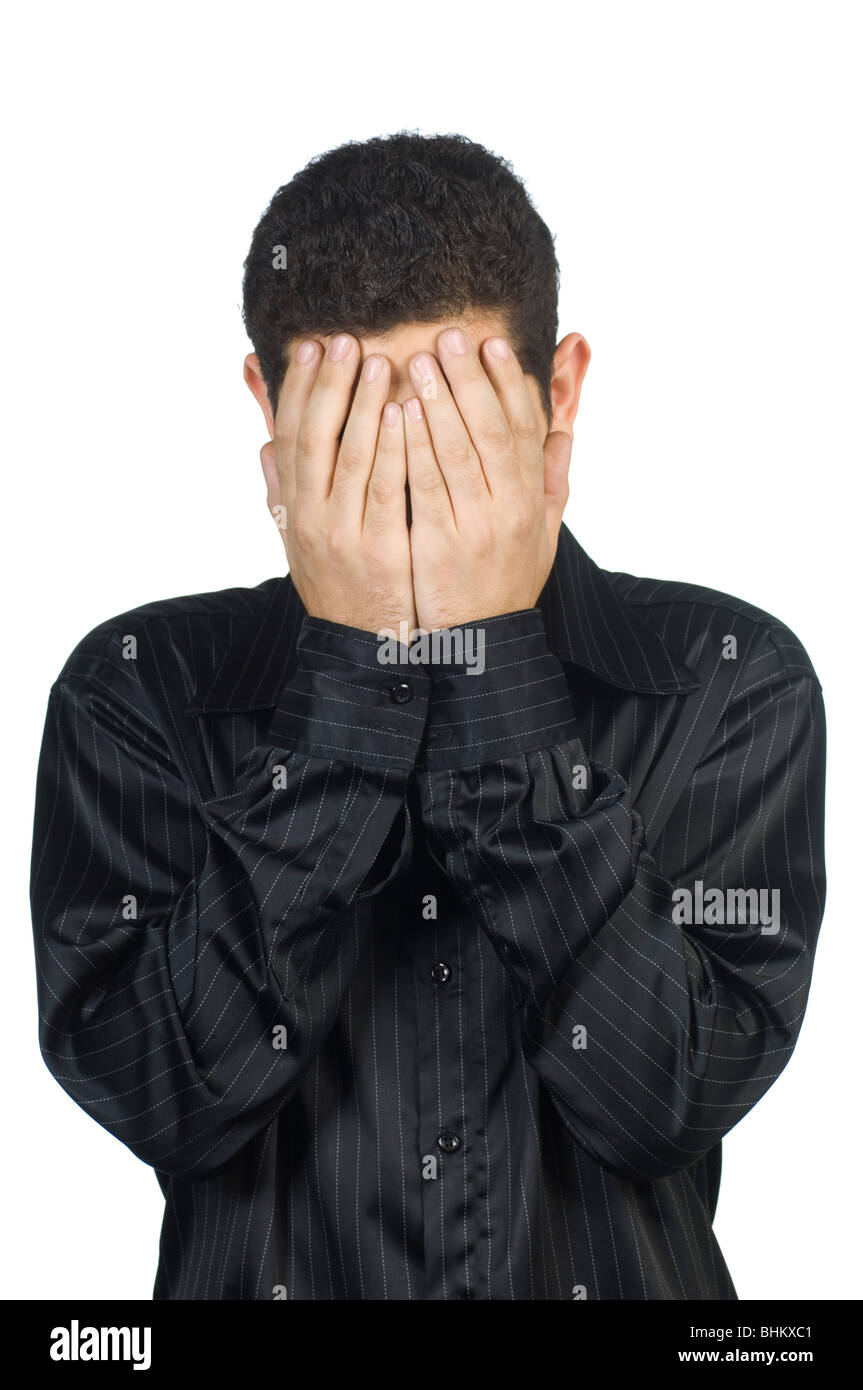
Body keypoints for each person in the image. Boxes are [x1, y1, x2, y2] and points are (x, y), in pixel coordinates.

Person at [30, 131, 826, 1300]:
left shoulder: (724, 682)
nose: (406, 478)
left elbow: (663, 1096)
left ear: (556, 398)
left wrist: (491, 668)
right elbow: (161, 1092)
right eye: (350, 425)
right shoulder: (137, 690)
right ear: (269, 409)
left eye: (454, 425)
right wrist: (349, 690)